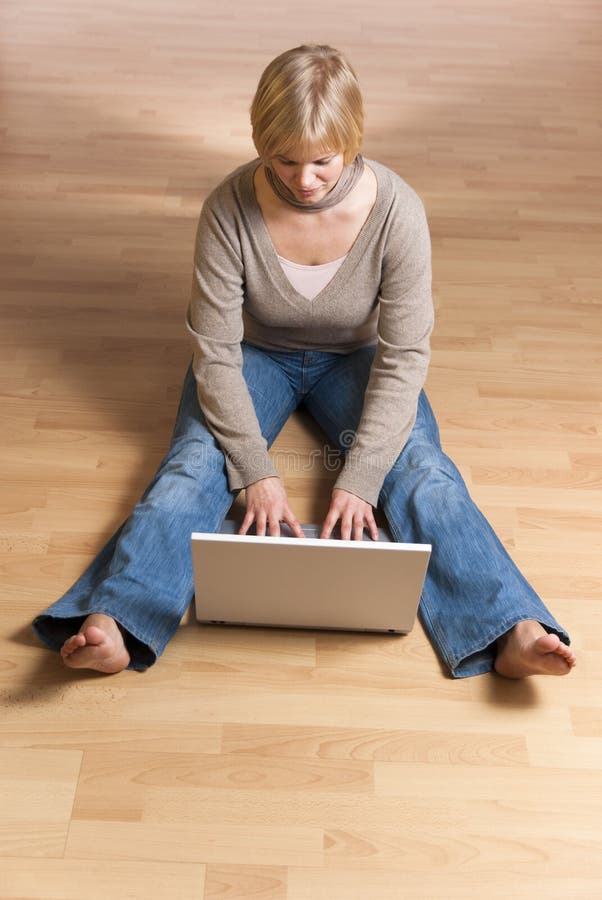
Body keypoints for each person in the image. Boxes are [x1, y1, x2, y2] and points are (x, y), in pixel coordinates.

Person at [32, 44, 576, 679]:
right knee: (193, 464)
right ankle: (117, 620)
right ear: (260, 139)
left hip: (358, 357)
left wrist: (361, 477)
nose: (305, 180)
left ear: (352, 139)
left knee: (422, 467)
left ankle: (506, 626)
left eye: (323, 161)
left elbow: (403, 356)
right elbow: (213, 348)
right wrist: (254, 471)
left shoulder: (398, 210)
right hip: (253, 355)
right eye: (283, 160)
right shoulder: (227, 208)